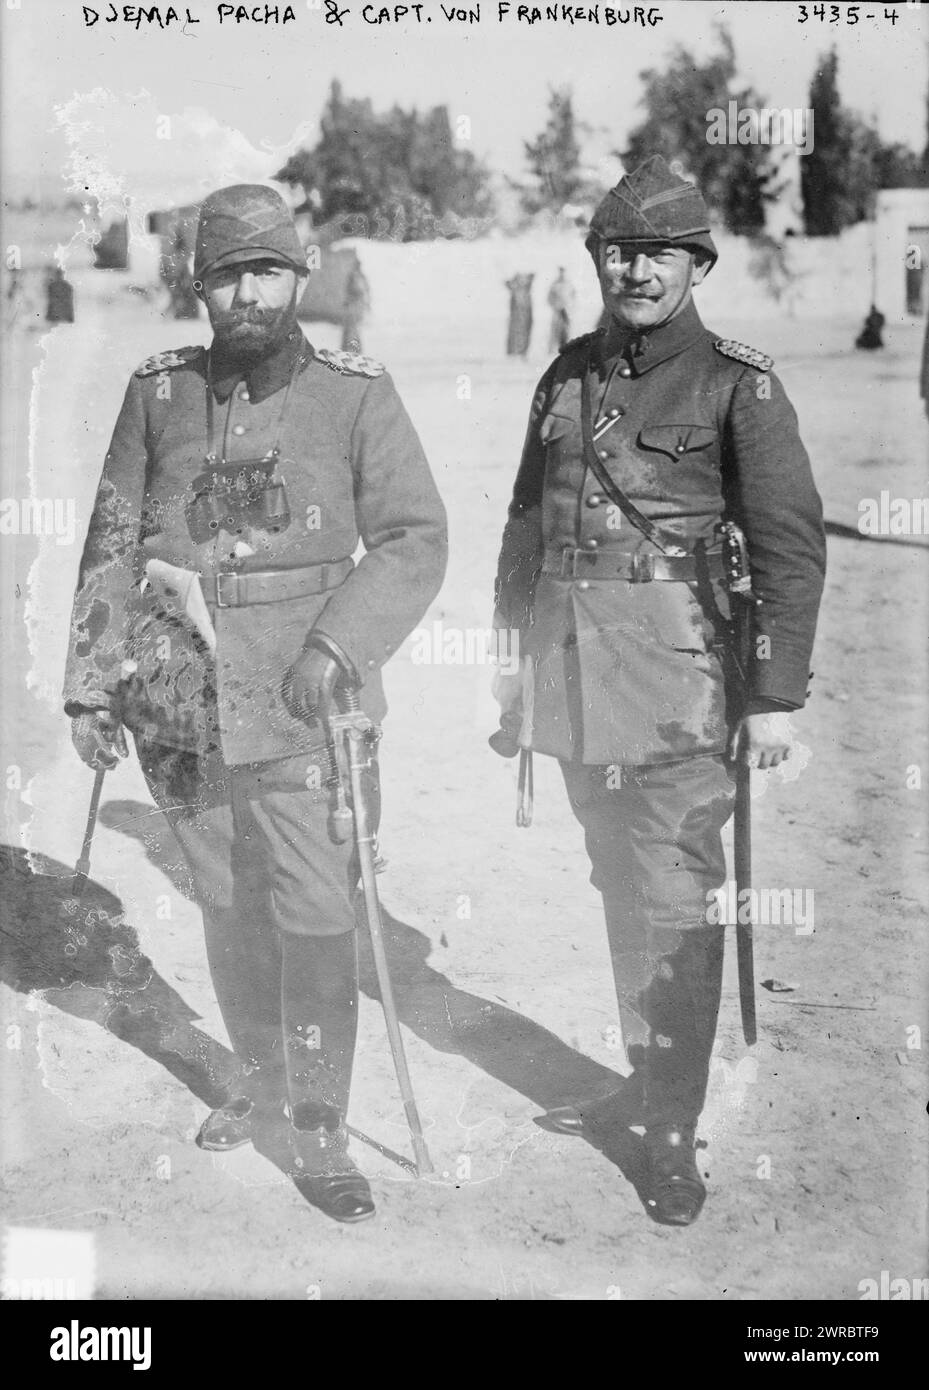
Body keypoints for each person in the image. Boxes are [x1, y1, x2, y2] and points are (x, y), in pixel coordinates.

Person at [64, 183, 448, 1224]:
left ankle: (319, 1128)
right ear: (200, 286)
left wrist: (336, 646)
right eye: (228, 274)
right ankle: (263, 1083)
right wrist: (92, 684)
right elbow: (113, 535)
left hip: (301, 697)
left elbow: (414, 538)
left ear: (300, 276)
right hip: (178, 698)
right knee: (228, 902)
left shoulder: (355, 394)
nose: (248, 293)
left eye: (267, 271)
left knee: (315, 911)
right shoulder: (159, 393)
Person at [492, 155, 825, 1226]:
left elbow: (788, 549)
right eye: (618, 251)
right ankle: (644, 1076)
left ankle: (672, 1128)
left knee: (673, 895)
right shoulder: (564, 376)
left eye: (659, 254)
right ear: (596, 259)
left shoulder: (736, 383)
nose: (635, 270)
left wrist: (771, 697)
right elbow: (524, 529)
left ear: (697, 267)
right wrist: (510, 664)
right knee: (615, 881)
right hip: (573, 679)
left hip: (681, 683)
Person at [505, 272, 534, 357]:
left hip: (524, 318)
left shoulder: (526, 290)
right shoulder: (516, 290)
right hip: (517, 318)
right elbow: (508, 284)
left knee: (523, 334)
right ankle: (514, 352)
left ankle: (522, 352)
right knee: (515, 334)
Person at [547, 267, 575, 352]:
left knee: (566, 329)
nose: (562, 274)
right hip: (557, 309)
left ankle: (566, 347)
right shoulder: (554, 284)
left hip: (566, 310)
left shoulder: (569, 284)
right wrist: (555, 305)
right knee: (556, 329)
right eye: (561, 272)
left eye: (563, 272)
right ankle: (552, 349)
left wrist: (570, 306)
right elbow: (550, 297)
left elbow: (573, 296)